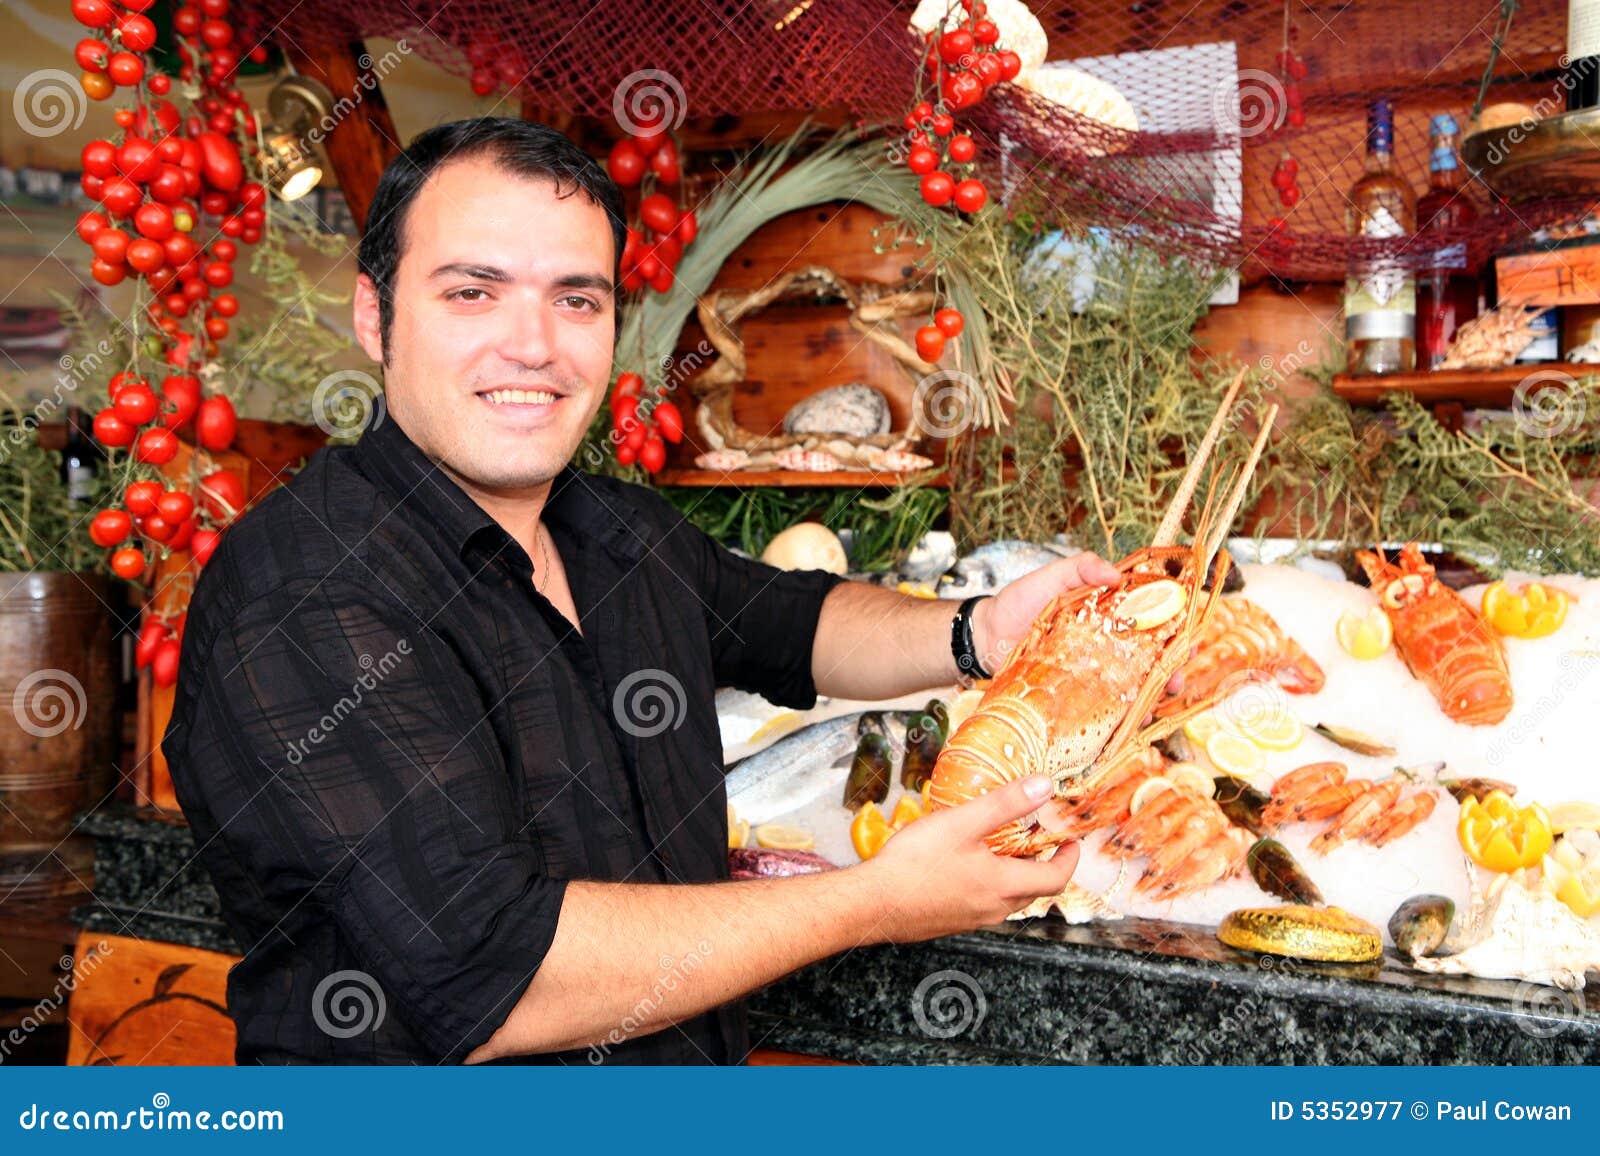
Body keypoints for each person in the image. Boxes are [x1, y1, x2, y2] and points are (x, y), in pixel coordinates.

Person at [163, 117, 1127, 1065]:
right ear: (375, 316)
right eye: (474, 292)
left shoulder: (611, 529)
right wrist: (877, 900)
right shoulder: (306, 592)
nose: (534, 345)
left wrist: (982, 629)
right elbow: (505, 982)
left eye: (576, 299)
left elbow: (796, 623)